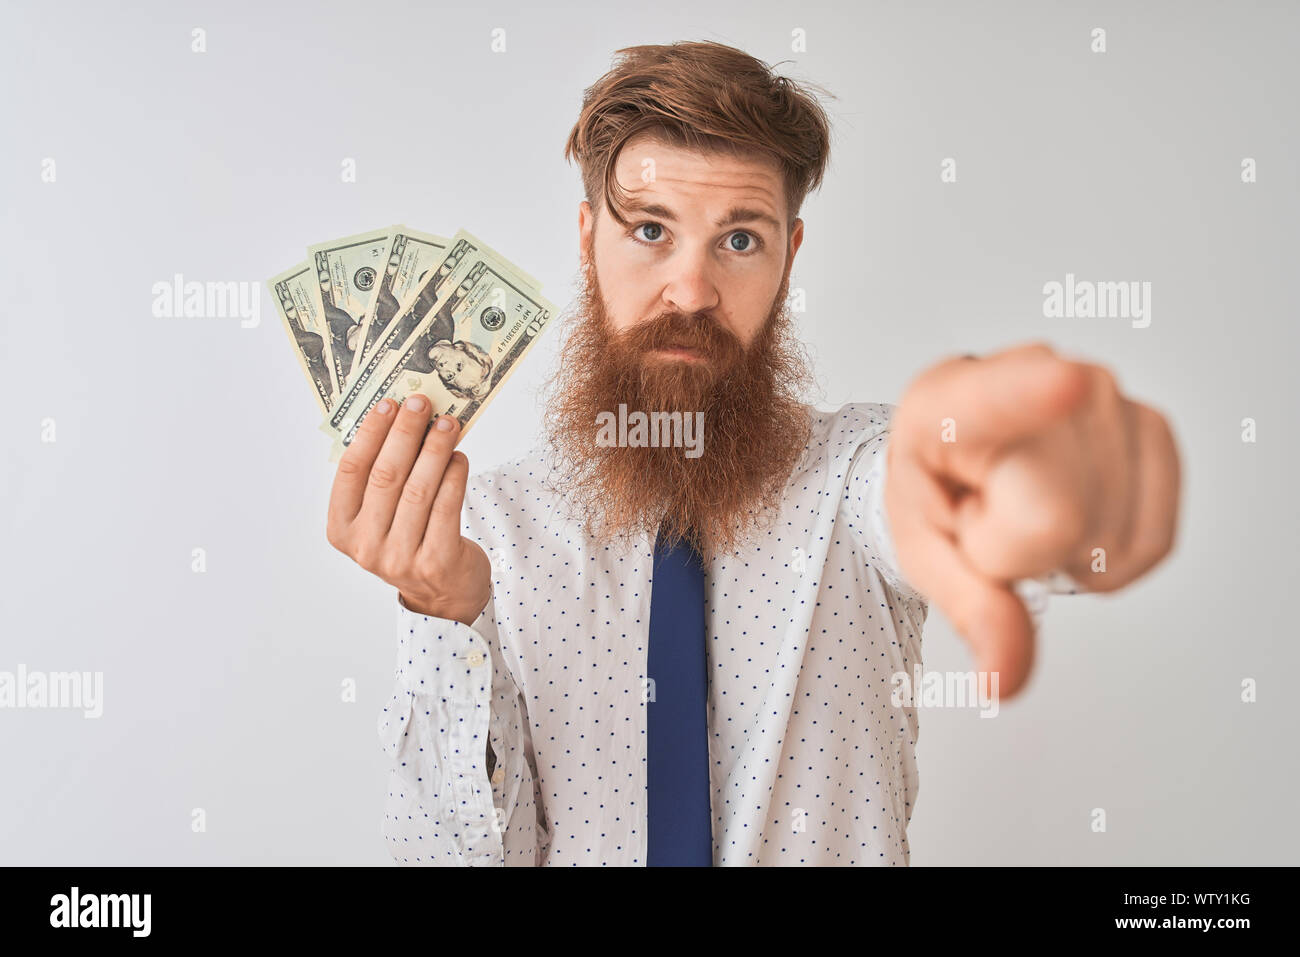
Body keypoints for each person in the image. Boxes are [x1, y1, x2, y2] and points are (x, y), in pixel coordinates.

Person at [324, 41, 1180, 866]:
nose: (692, 289)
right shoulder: (488, 533)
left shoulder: (857, 480)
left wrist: (1025, 484)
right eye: (651, 229)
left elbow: (926, 492)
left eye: (740, 239)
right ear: (588, 240)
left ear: (788, 256)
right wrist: (444, 615)